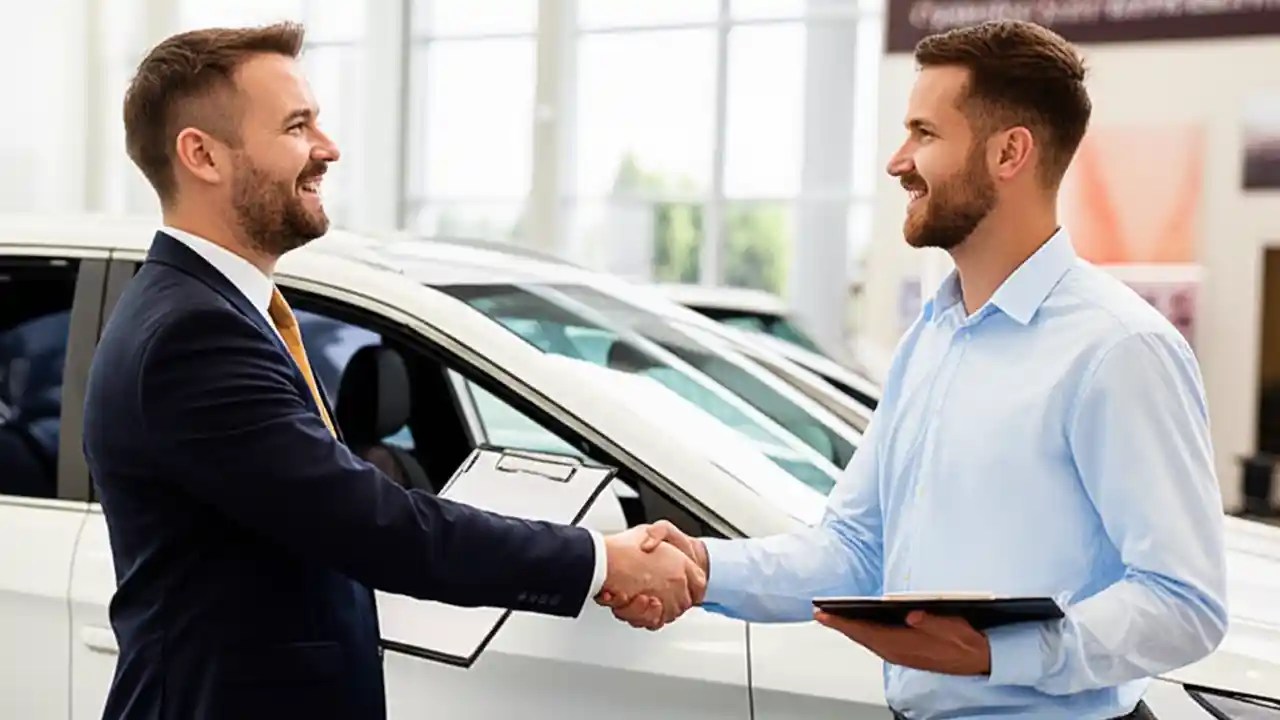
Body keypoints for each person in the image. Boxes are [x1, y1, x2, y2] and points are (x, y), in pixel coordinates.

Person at [604, 19, 1228, 719]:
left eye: (924, 134)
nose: (898, 161)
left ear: (1009, 152)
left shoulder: (1119, 349)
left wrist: (997, 655)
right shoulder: (932, 338)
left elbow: (1184, 601)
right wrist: (701, 565)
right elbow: (853, 549)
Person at [82, 23, 701, 720]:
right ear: (202, 155)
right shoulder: (192, 335)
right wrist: (601, 561)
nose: (328, 147)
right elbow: (370, 525)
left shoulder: (216, 311)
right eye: (296, 126)